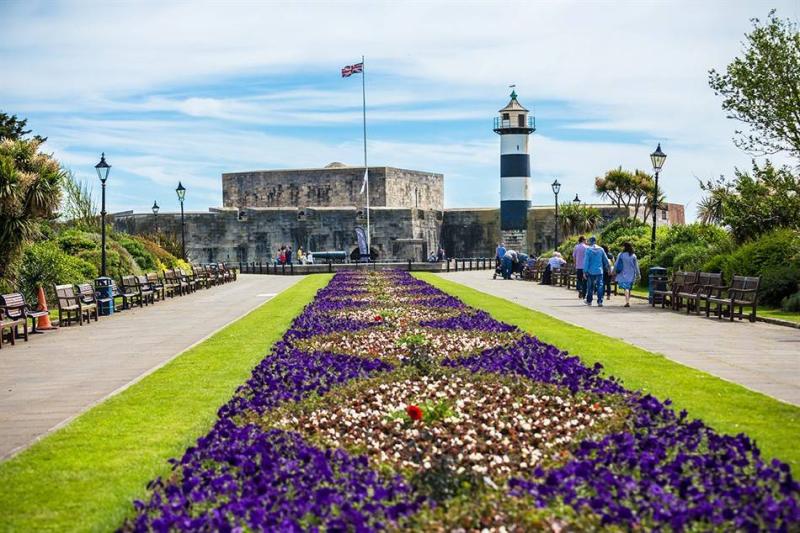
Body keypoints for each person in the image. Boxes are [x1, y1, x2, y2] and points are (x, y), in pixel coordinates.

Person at [583, 236, 609, 307]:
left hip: (591, 271)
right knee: (600, 286)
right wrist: (608, 268)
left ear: (590, 242)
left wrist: (584, 271)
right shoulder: (601, 249)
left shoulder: (588, 250)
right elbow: (606, 260)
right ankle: (600, 301)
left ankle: (589, 301)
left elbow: (586, 261)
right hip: (599, 271)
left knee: (590, 286)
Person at [614, 241, 641, 307]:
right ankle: (628, 300)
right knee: (629, 288)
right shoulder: (633, 255)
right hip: (631, 274)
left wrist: (613, 270)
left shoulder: (621, 254)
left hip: (623, 273)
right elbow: (636, 266)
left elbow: (616, 264)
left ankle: (627, 302)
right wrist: (638, 274)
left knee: (626, 288)